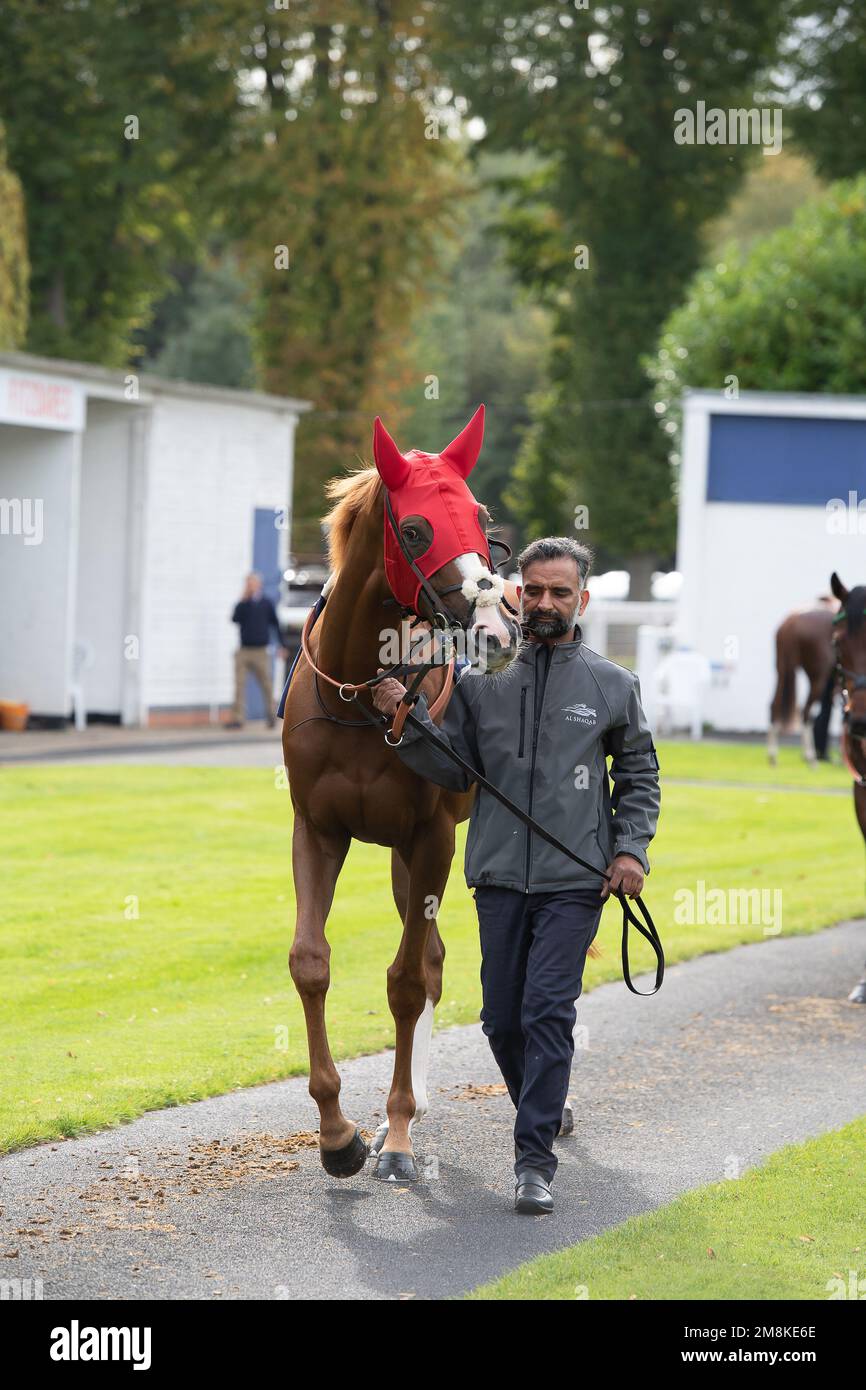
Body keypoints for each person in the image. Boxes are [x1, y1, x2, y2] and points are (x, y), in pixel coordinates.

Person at [372, 537, 660, 1215]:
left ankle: (534, 1161)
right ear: (516, 595)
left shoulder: (612, 685)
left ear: (582, 599)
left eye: (560, 592)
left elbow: (639, 775)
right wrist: (404, 722)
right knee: (500, 1019)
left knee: (547, 1011)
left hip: (575, 879)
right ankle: (546, 1099)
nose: (546, 603)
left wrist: (630, 850)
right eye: (534, 591)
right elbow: (455, 771)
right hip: (498, 876)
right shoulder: (482, 683)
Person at [227, 573, 286, 729]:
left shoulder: (266, 603)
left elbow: (275, 624)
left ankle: (271, 716)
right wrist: (243, 600)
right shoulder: (244, 604)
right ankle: (238, 718)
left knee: (266, 684)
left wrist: (281, 645)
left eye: (252, 583)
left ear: (259, 585)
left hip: (260, 651)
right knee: (239, 685)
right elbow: (234, 619)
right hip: (244, 650)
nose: (250, 586)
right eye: (248, 583)